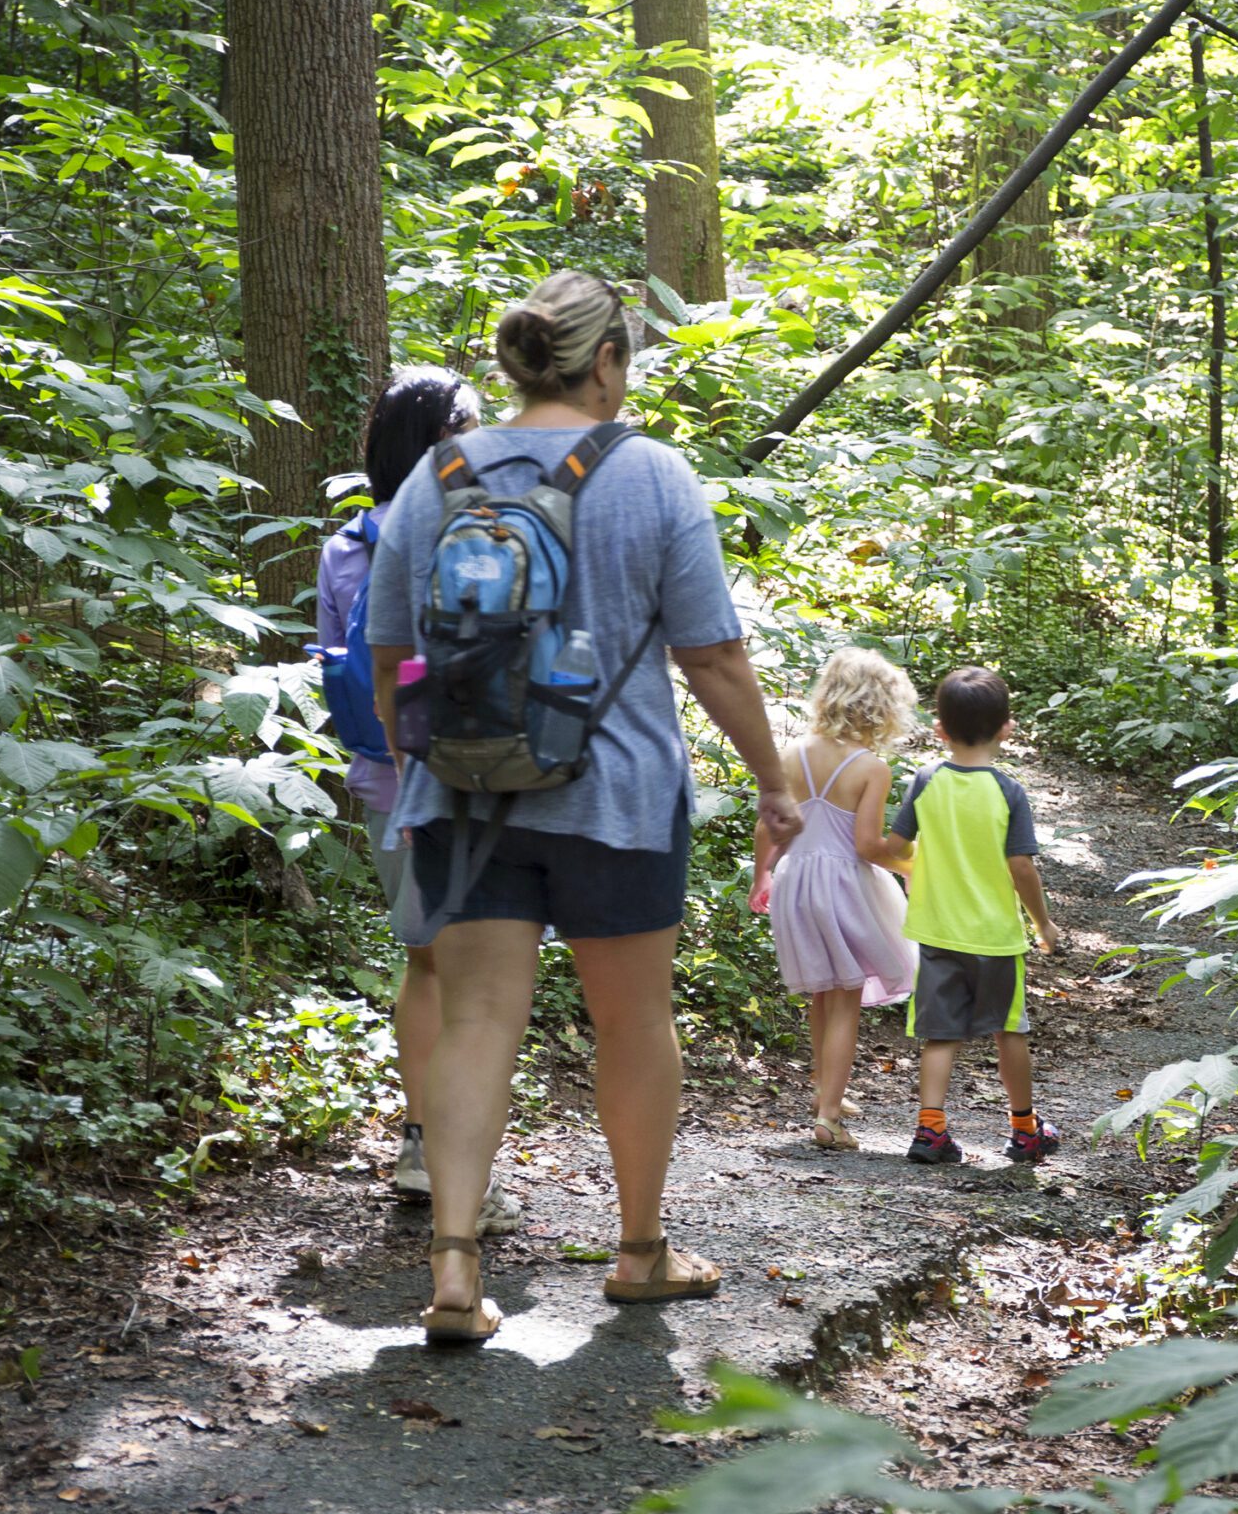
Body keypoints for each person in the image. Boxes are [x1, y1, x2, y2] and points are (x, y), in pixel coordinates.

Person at [364, 271, 804, 1345]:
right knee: (631, 1021)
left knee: (475, 1021)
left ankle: (457, 1268)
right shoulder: (652, 474)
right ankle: (640, 1251)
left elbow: (389, 656)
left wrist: (426, 760)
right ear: (609, 360)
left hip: (465, 799)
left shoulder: (436, 473)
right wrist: (773, 779)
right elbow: (712, 653)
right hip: (618, 797)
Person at [315, 367, 523, 1237]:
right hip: (467, 777)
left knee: (424, 960)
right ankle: (459, 1175)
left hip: (380, 777)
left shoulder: (346, 546)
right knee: (477, 978)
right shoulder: (472, 531)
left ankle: (417, 1139)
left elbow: (334, 665)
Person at [882, 666, 1061, 1167]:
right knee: (1010, 1029)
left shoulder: (926, 781)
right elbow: (1020, 865)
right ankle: (1025, 1130)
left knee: (940, 1034)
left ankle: (930, 1130)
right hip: (995, 935)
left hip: (937, 931)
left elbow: (895, 847)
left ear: (939, 729)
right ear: (1007, 727)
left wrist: (916, 871)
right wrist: (1042, 923)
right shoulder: (1008, 791)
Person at [751, 648, 918, 1151]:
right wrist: (911, 867)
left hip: (797, 878)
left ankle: (826, 1090)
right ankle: (829, 1118)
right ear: (882, 707)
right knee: (846, 997)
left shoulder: (789, 754)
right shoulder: (870, 768)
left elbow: (768, 825)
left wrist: (762, 875)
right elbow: (867, 846)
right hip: (846, 885)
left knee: (823, 992)